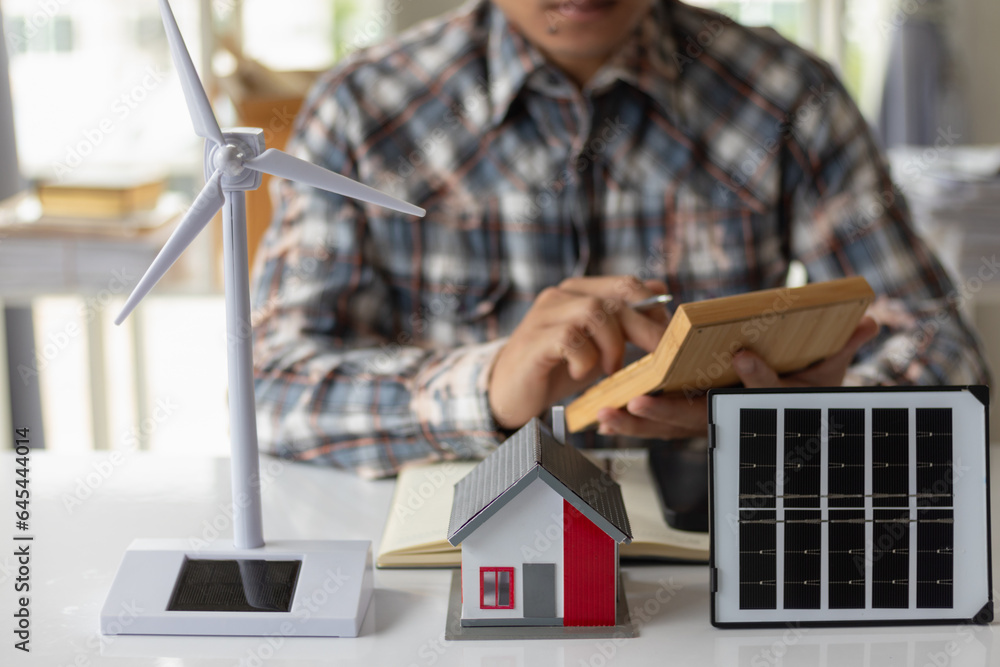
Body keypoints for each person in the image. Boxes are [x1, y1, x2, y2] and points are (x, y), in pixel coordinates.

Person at [250, 0, 989, 479]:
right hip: (447, 562)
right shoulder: (362, 110)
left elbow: (945, 355)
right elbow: (269, 389)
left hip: (721, 556)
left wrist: (788, 423)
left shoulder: (789, 96)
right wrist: (486, 390)